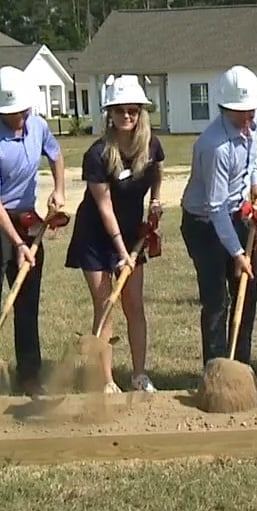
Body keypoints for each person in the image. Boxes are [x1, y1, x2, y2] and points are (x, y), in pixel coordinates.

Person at [0, 66, 67, 396]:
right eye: (10, 112)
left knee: (26, 298)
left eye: (21, 110)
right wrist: (18, 243)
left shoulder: (38, 125)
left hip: (25, 216)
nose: (18, 117)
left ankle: (30, 374)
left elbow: (56, 153)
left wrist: (59, 189)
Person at [64, 75, 165, 393]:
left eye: (133, 110)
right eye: (120, 110)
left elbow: (157, 170)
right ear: (110, 113)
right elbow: (104, 207)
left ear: (141, 113)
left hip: (132, 232)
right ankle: (106, 381)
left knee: (133, 304)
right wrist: (121, 252)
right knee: (105, 302)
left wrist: (156, 201)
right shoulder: (97, 154)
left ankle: (139, 375)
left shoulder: (151, 146)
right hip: (96, 236)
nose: (127, 116)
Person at [179, 65, 257, 372]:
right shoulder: (213, 147)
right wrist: (237, 253)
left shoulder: (251, 123)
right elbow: (215, 207)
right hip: (204, 223)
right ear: (225, 108)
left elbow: (253, 155)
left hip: (236, 214)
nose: (248, 117)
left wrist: (255, 181)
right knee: (217, 300)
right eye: (240, 112)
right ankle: (216, 370)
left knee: (248, 293)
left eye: (251, 110)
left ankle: (242, 369)